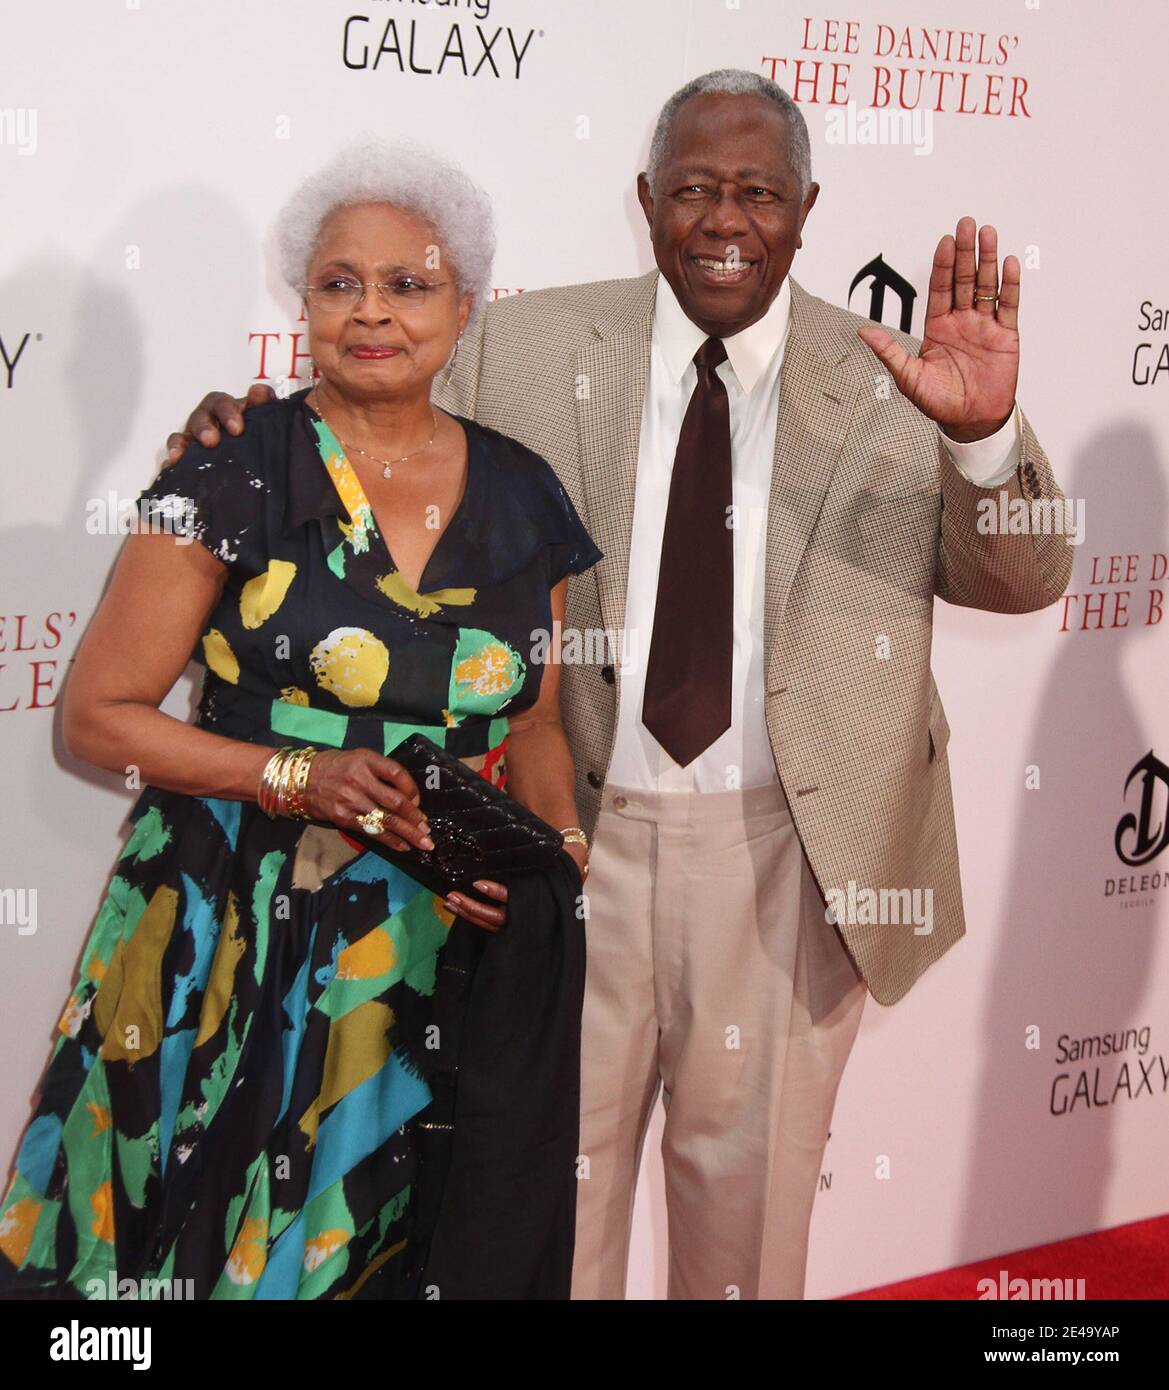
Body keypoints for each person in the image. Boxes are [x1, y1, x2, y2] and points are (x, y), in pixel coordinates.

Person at [168, 70, 1075, 1300]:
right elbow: (372, 417)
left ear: (805, 209)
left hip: (790, 858)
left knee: (745, 1236)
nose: (721, 220)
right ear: (645, 201)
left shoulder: (896, 376)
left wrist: (979, 434)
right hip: (562, 841)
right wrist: (240, 428)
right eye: (693, 189)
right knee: (546, 1200)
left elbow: (1020, 579)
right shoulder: (524, 346)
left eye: (755, 192)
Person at [0, 139, 598, 1300]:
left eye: (408, 284)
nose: (371, 311)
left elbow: (531, 725)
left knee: (378, 1250)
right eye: (339, 283)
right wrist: (289, 775)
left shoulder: (528, 496)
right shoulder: (232, 471)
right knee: (171, 1252)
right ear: (304, 300)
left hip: (427, 954)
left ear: (464, 306)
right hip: (223, 928)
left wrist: (556, 854)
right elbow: (98, 716)